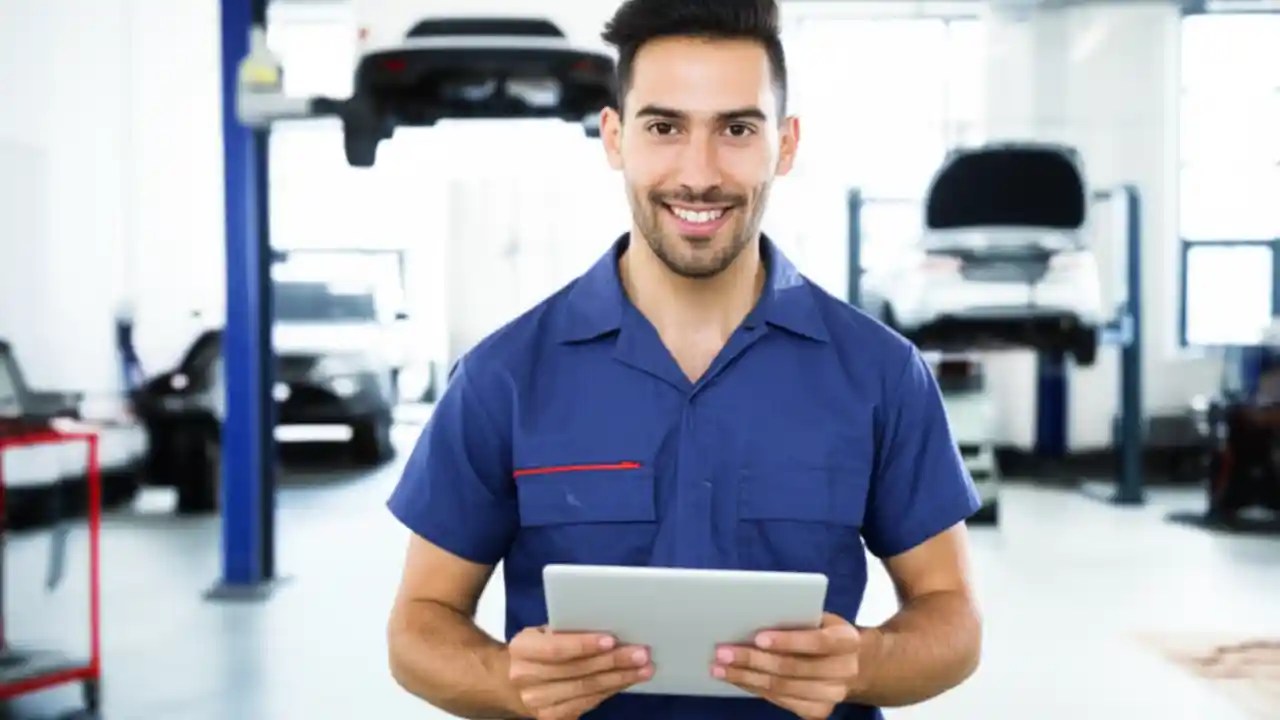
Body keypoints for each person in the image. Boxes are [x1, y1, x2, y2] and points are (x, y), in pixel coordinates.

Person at [385, 1, 984, 718]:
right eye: (664, 127)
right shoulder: (503, 377)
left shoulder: (882, 374)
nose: (699, 174)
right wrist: (501, 677)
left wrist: (868, 661)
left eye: (736, 129)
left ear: (785, 146)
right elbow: (417, 624)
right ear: (615, 138)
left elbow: (953, 619)